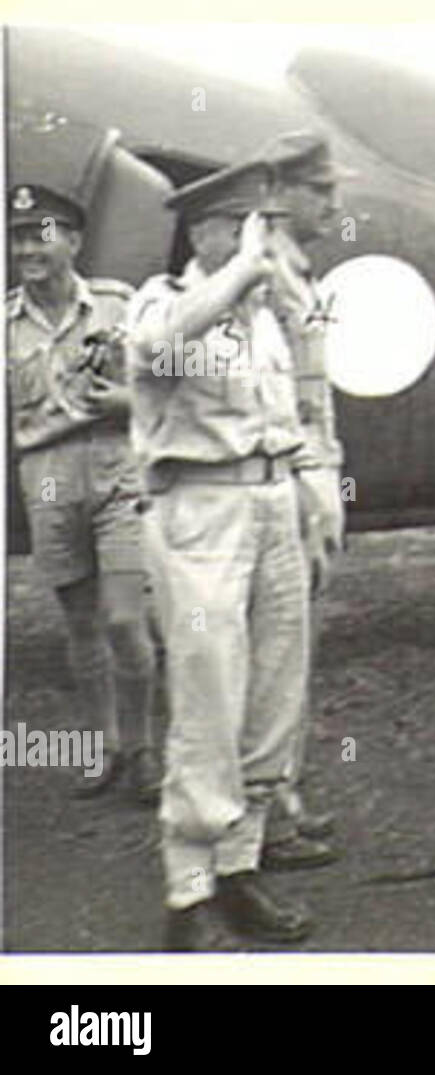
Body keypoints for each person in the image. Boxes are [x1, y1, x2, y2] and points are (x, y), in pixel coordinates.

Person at [126, 160, 329, 949]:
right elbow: (158, 350)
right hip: (201, 508)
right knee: (209, 694)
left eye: (266, 228)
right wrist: (245, 269)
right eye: (247, 228)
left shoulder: (268, 316)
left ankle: (240, 869)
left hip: (273, 503)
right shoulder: (166, 301)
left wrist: (313, 486)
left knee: (273, 694)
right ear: (206, 231)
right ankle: (188, 892)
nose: (264, 242)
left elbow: (299, 410)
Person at [6, 182, 160, 802]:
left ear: (72, 240)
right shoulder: (3, 323)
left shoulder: (120, 307)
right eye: (17, 238)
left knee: (125, 618)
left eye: (40, 234)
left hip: (116, 467)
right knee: (79, 623)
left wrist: (131, 401)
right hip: (45, 474)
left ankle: (142, 747)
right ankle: (103, 747)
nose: (27, 249)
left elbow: (172, 383)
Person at [251, 130, 356, 872]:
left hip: (312, 469)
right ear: (279, 191)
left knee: (293, 649)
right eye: (320, 191)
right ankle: (260, 819)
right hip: (282, 477)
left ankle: (280, 794)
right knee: (272, 652)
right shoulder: (259, 272)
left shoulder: (297, 268)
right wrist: (304, 485)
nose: (333, 203)